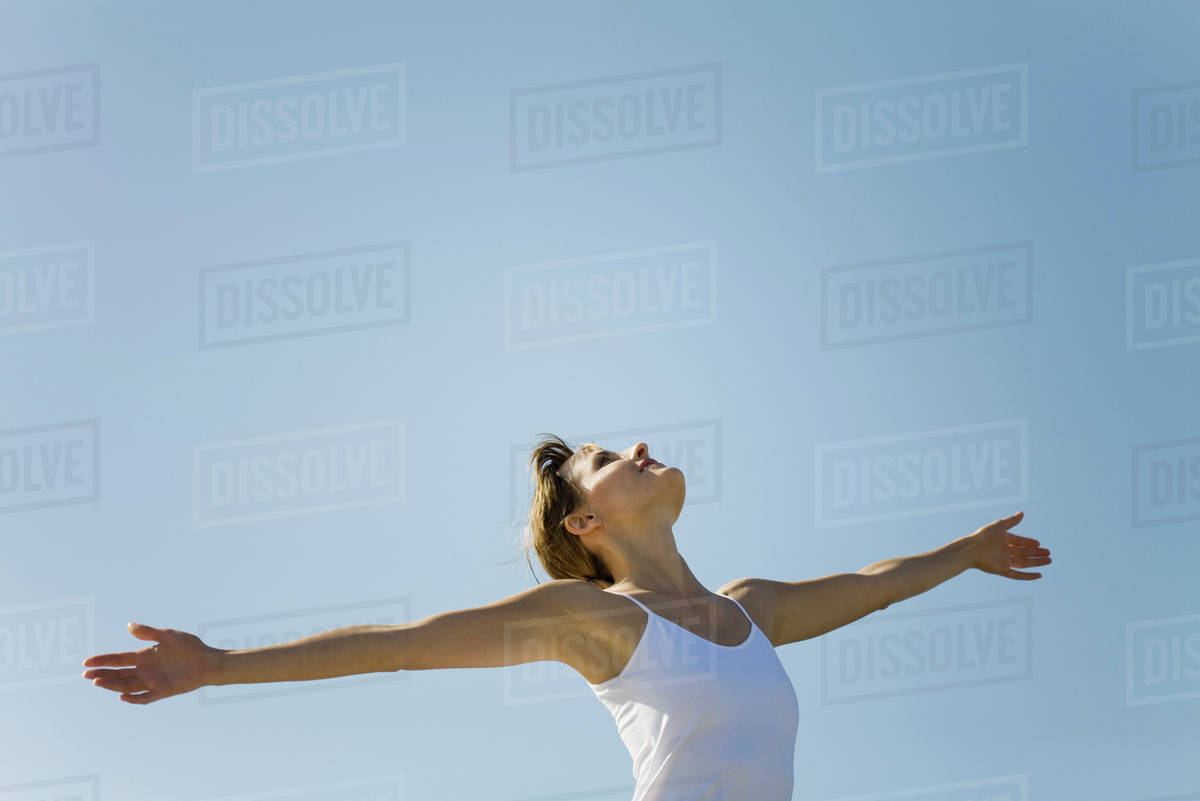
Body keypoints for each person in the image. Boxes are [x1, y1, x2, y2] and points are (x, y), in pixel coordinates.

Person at [82, 434, 1051, 800]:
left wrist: (966, 553)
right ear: (588, 523)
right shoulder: (594, 619)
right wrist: (220, 664)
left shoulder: (749, 613)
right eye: (605, 456)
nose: (636, 443)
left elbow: (873, 579)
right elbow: (401, 649)